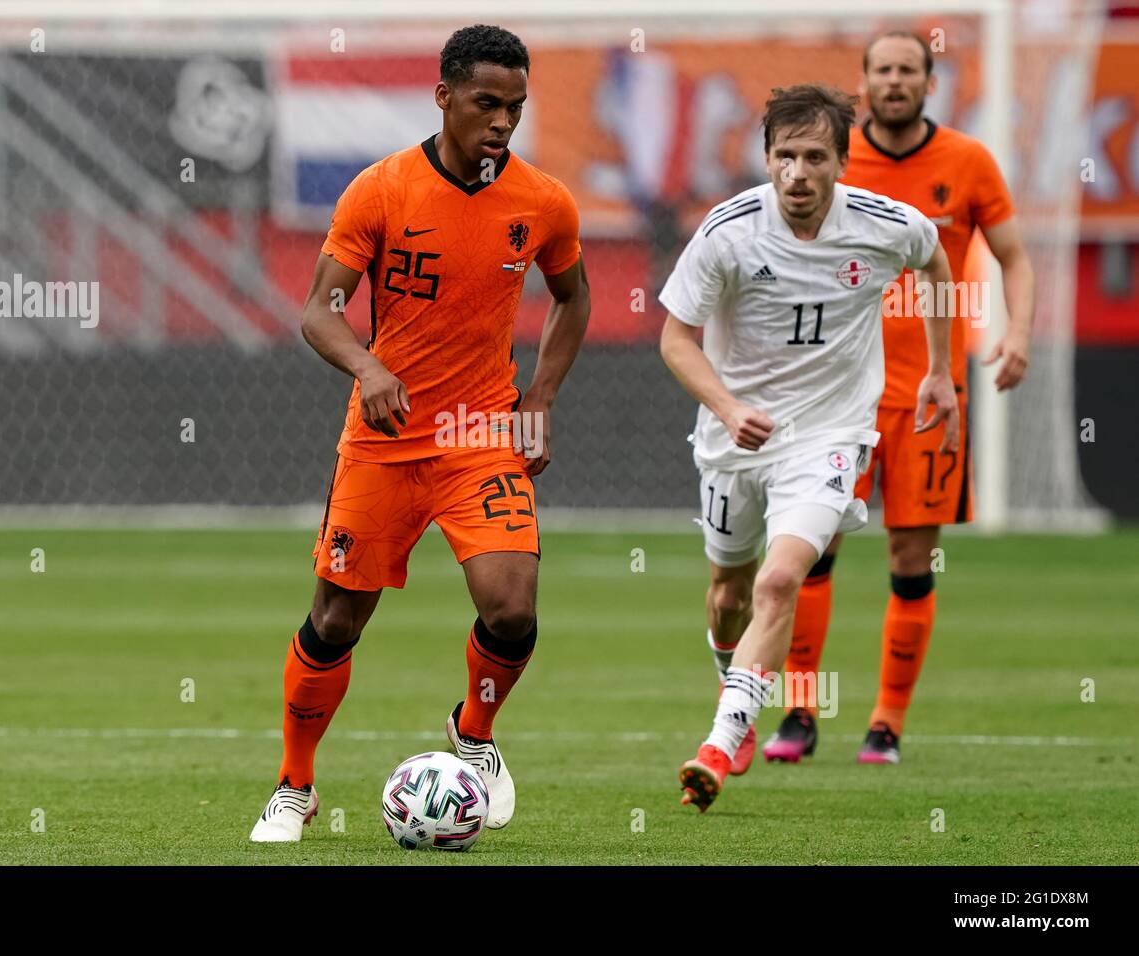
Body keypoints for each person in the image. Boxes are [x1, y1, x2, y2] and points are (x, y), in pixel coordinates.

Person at [249, 24, 590, 842]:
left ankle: (473, 739)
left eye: (515, 106)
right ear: (443, 98)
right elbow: (318, 311)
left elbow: (574, 297)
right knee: (335, 620)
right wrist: (367, 370)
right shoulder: (380, 190)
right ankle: (295, 786)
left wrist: (539, 395)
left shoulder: (543, 202)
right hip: (385, 440)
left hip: (482, 435)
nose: (502, 122)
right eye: (486, 104)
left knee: (511, 608)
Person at [659, 83, 957, 812]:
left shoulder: (888, 225)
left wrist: (943, 373)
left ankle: (722, 741)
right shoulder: (727, 231)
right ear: (765, 158)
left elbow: (937, 265)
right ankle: (735, 681)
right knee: (729, 595)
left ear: (841, 163)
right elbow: (675, 338)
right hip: (734, 441)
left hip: (829, 436)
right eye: (784, 156)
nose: (797, 172)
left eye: (814, 156)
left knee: (778, 582)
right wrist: (727, 407)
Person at [763, 31, 1034, 766]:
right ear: (864, 80)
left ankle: (886, 723)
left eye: (907, 70)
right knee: (812, 549)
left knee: (912, 559)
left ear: (928, 82)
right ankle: (798, 713)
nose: (893, 81)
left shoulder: (968, 162)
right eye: (881, 69)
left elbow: (1012, 255)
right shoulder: (828, 161)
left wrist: (1018, 335)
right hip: (834, 394)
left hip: (928, 392)